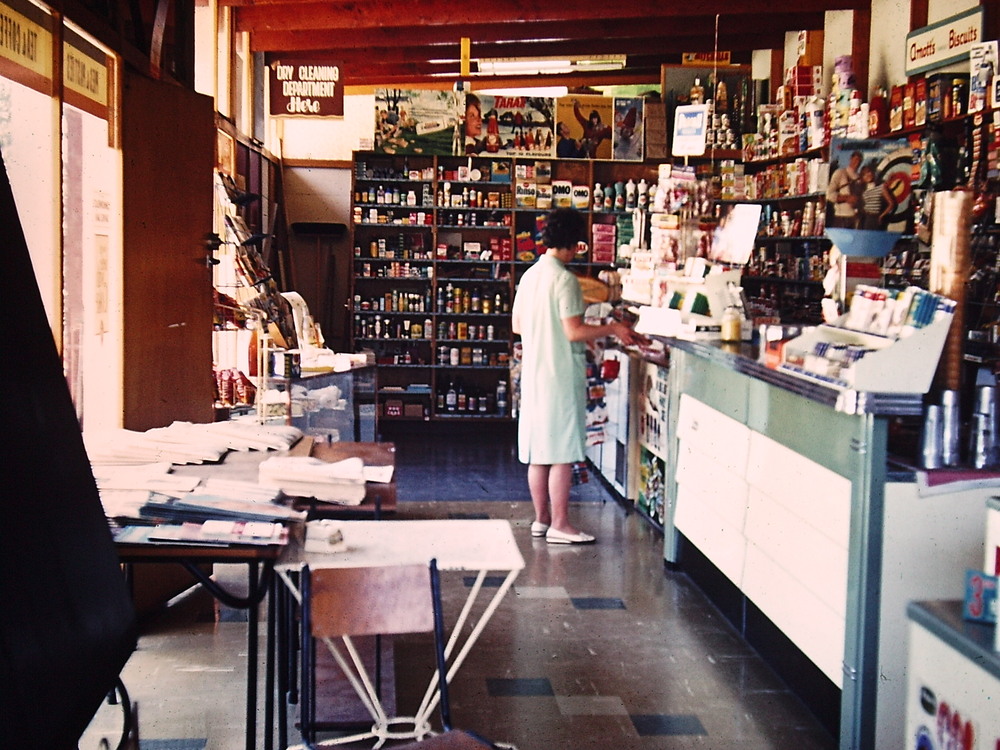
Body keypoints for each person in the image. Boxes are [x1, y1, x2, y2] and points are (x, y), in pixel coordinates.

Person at [511, 208, 646, 545]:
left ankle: (542, 519)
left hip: (534, 373)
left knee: (538, 450)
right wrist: (612, 328)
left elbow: (517, 326)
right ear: (573, 243)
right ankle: (560, 524)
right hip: (559, 375)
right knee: (561, 451)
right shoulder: (566, 280)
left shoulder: (530, 276)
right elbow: (573, 331)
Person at [826, 150, 863, 228]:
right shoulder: (840, 173)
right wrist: (846, 198)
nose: (857, 162)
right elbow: (829, 194)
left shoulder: (860, 178)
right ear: (851, 159)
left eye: (860, 161)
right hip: (841, 217)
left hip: (856, 219)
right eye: (856, 159)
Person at [858, 162, 896, 230]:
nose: (867, 175)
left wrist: (881, 216)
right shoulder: (864, 191)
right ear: (862, 178)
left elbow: (891, 204)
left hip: (873, 218)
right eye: (864, 174)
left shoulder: (881, 187)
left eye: (868, 172)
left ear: (872, 173)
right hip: (863, 218)